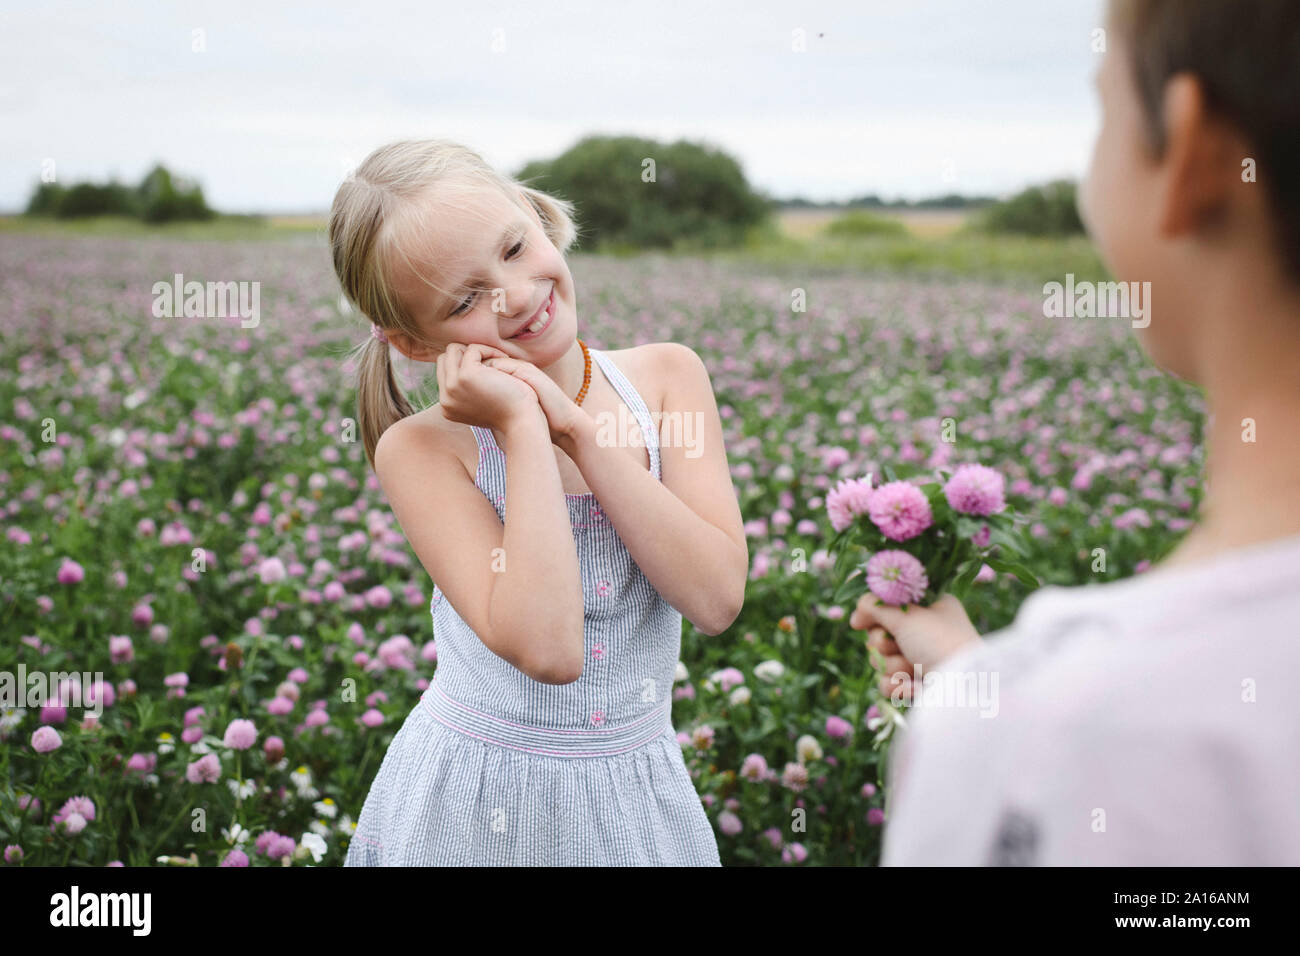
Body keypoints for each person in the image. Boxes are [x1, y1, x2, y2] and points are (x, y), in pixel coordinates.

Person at [851, 0, 1300, 865]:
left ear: (1193, 157)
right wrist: (982, 680)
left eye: (1102, 111)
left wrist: (1002, 715)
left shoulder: (1048, 746)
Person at [328, 139, 746, 865]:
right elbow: (550, 650)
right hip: (474, 803)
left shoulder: (670, 379)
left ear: (535, 214)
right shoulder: (423, 449)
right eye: (464, 299)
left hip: (634, 798)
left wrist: (577, 433)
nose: (516, 295)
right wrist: (522, 427)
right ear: (417, 343)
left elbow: (714, 599)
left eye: (515, 248)